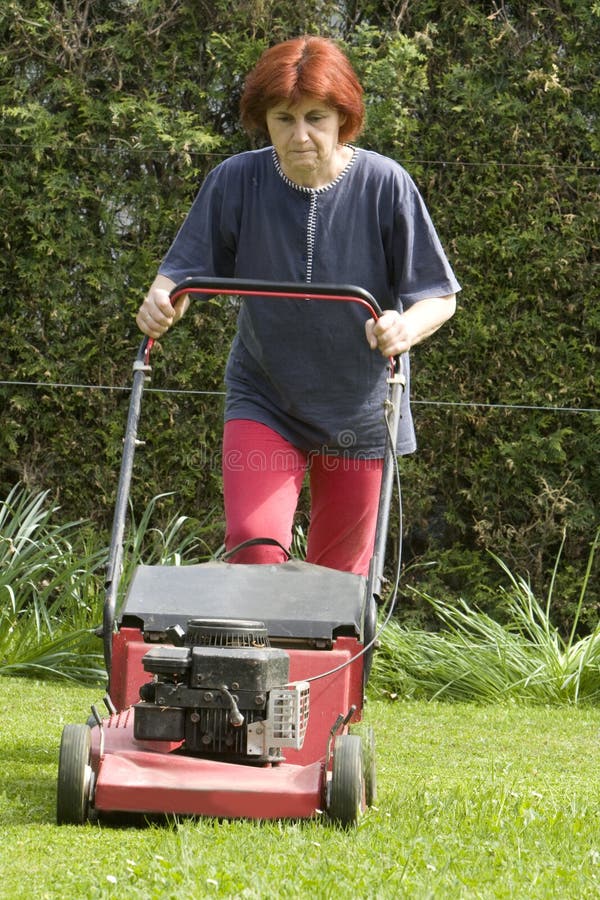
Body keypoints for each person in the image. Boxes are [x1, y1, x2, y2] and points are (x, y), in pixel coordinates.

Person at [136, 35, 460, 577]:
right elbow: (182, 274)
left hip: (359, 409)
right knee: (252, 543)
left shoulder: (386, 185)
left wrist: (405, 327)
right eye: (283, 119)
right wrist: (162, 300)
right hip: (266, 399)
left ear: (344, 119)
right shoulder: (237, 181)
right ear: (264, 121)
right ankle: (257, 662)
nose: (300, 134)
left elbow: (439, 296)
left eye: (316, 117)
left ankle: (327, 665)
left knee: (338, 577)